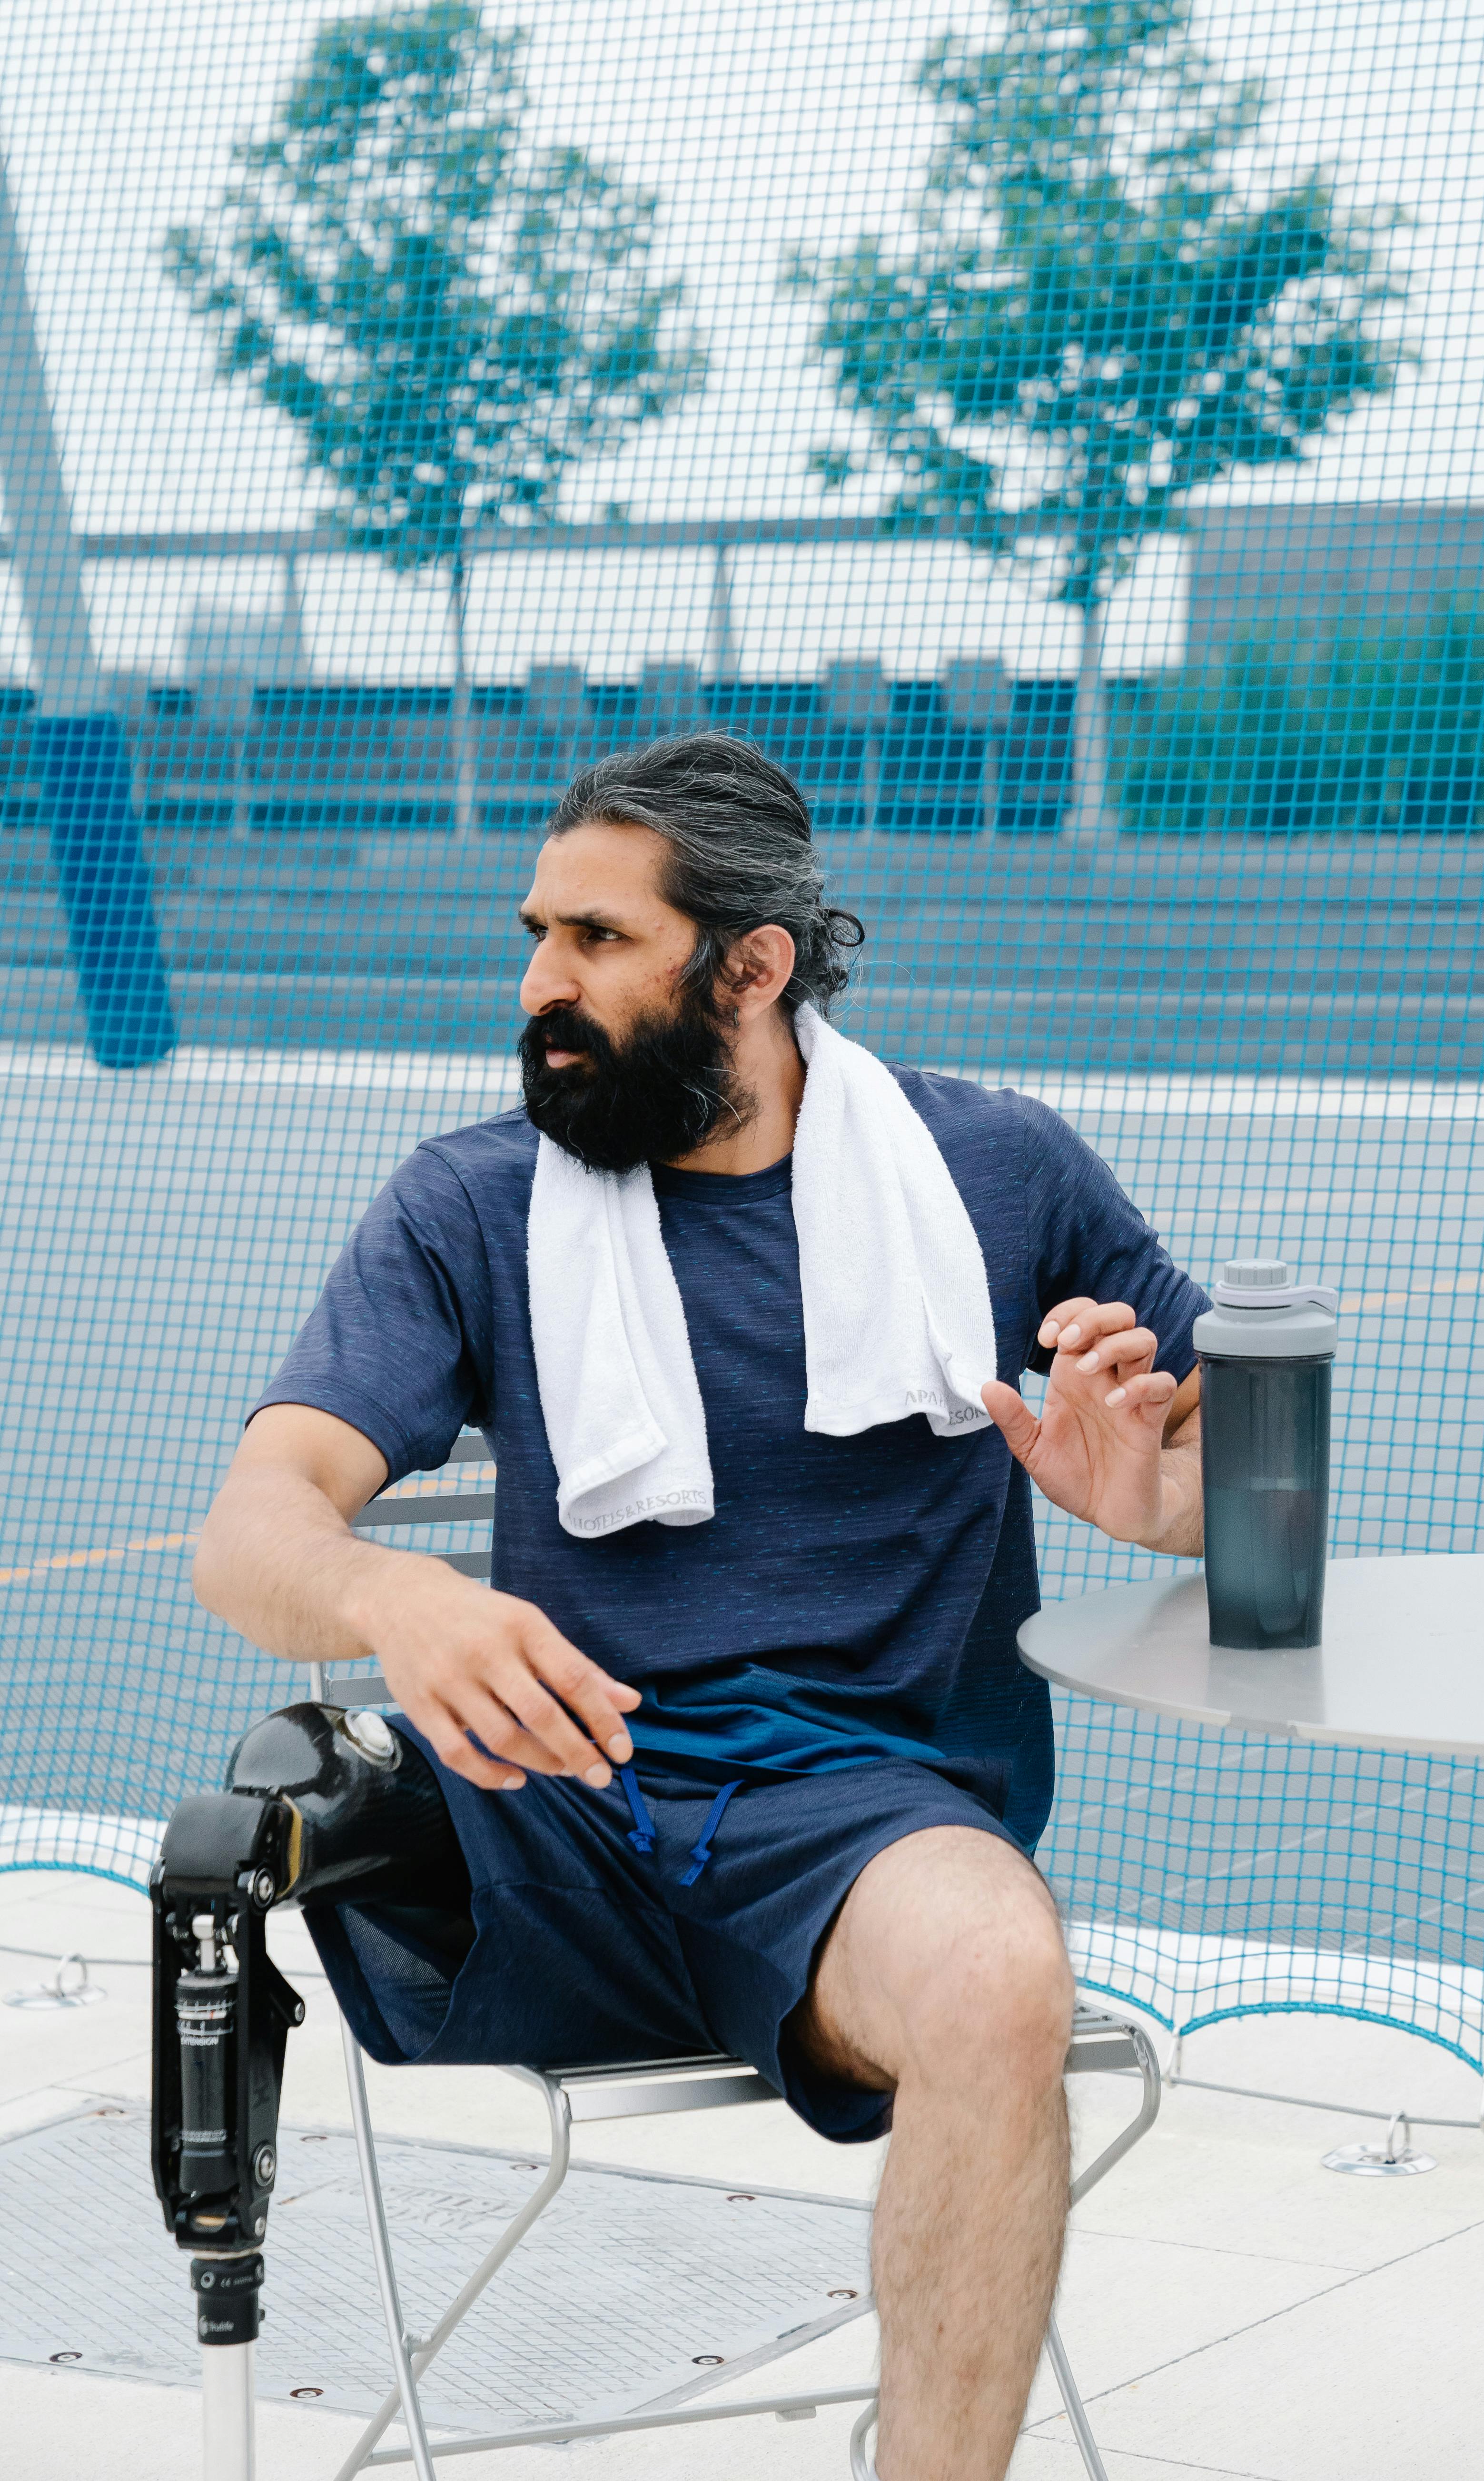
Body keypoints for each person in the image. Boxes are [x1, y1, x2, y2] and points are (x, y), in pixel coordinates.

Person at [194, 730, 1207, 2481]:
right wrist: (391, 1592)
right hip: (555, 1826)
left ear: (753, 967)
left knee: (995, 1973)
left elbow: (1251, 1483)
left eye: (599, 940)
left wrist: (1160, 1502)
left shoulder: (999, 1171)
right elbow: (251, 1531)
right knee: (234, 1854)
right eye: (537, 934)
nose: (541, 985)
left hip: (862, 1821)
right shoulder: (470, 1202)